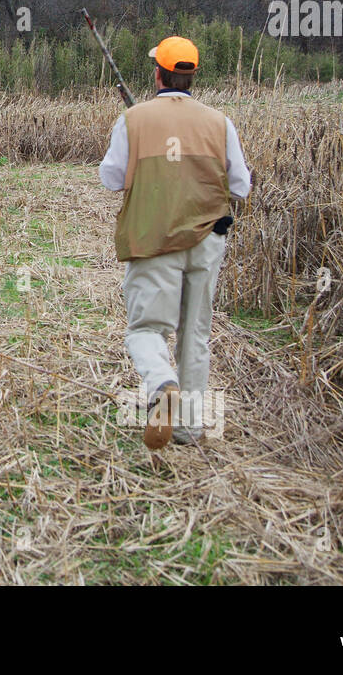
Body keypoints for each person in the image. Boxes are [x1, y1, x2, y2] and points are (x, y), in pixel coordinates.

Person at [98, 37, 252, 449]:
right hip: (207, 242)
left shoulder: (134, 120)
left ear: (158, 74)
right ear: (191, 76)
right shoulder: (220, 122)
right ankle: (187, 429)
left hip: (154, 239)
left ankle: (161, 382)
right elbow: (241, 185)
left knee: (146, 329)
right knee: (195, 335)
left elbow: (111, 179)